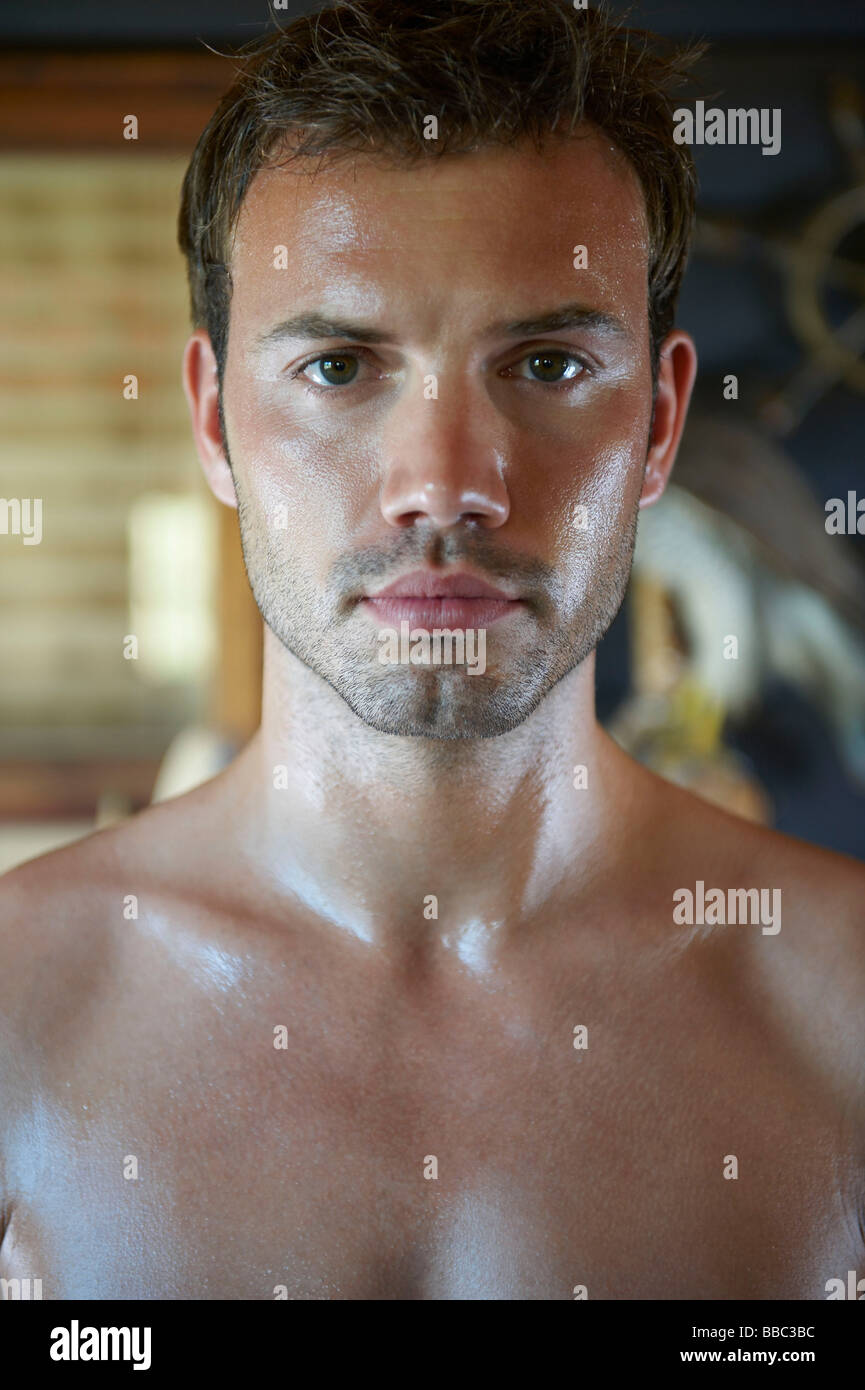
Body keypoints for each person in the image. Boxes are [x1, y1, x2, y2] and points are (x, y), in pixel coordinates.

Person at [1, 0, 863, 1301]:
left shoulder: (842, 1003)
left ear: (661, 421)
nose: (445, 484)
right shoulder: (19, 1010)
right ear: (213, 421)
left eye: (548, 362)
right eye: (341, 367)